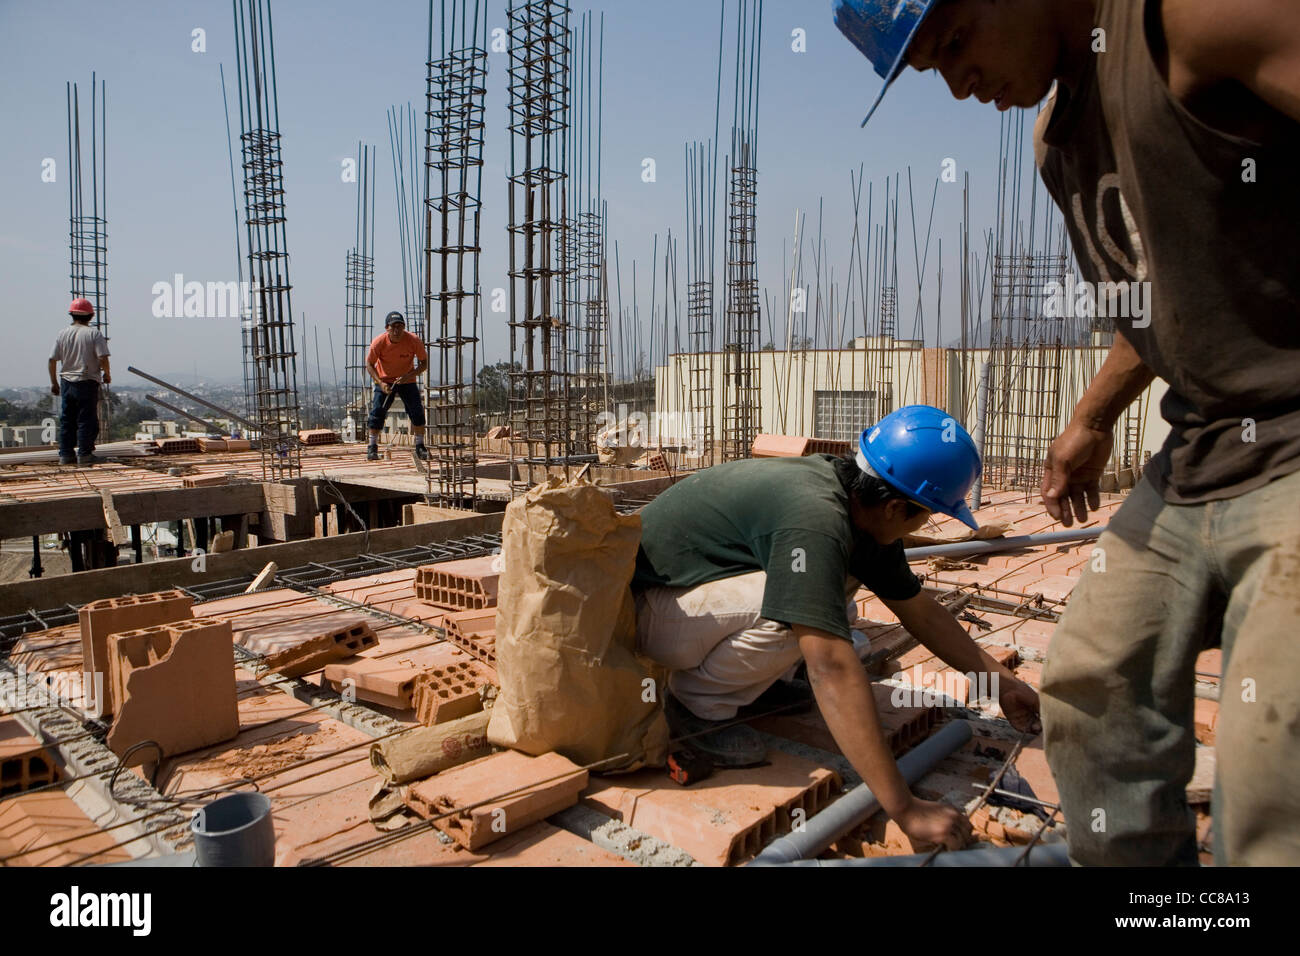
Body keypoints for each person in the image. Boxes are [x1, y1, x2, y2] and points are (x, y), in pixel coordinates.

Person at [834, 0, 1300, 864]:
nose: (960, 85)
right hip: (1200, 450)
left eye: (960, 42)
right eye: (935, 68)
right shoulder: (1059, 140)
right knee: (1091, 687)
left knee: (1275, 751)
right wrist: (1092, 416)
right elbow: (1156, 291)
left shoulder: (1186, 25)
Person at [633, 405, 1042, 852]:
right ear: (896, 507)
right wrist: (905, 809)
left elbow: (919, 611)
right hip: (645, 607)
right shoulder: (817, 517)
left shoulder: (862, 505)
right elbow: (830, 665)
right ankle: (698, 706)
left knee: (829, 602)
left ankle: (751, 687)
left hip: (692, 594)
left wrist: (999, 682)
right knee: (799, 612)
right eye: (927, 514)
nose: (927, 523)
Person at [48, 297, 110, 466]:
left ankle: (66, 455)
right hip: (87, 381)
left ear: (72, 314)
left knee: (67, 420)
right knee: (86, 419)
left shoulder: (62, 334)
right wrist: (107, 374)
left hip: (67, 381)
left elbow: (52, 360)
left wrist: (54, 383)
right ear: (90, 316)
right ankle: (84, 455)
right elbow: (102, 357)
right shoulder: (93, 334)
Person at [365, 311, 429, 461]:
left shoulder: (413, 340)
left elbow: (424, 363)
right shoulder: (379, 342)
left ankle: (420, 446)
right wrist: (380, 382)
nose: (396, 330)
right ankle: (372, 446)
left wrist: (410, 375)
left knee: (416, 411)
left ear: (404, 327)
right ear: (387, 328)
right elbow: (369, 364)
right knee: (378, 411)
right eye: (393, 327)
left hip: (406, 379)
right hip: (385, 379)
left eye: (400, 326)